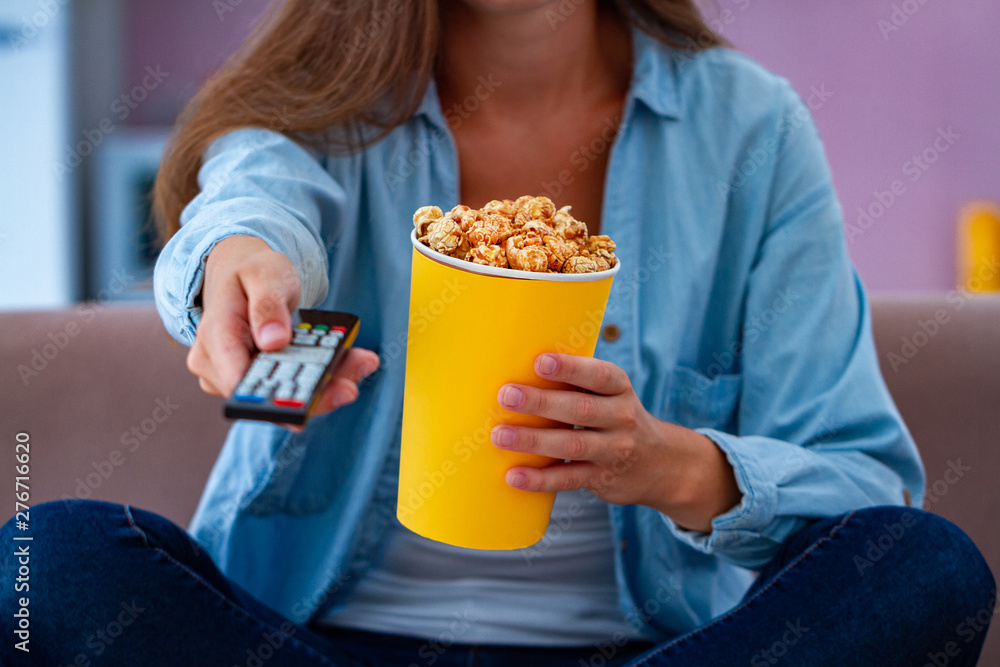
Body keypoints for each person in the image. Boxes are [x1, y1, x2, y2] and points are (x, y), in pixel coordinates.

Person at [1, 1, 994, 665]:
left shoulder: (751, 132)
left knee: (927, 567)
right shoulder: (321, 103)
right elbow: (257, 201)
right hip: (310, 639)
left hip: (649, 649)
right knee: (47, 565)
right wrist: (243, 266)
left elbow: (867, 485)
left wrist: (670, 464)